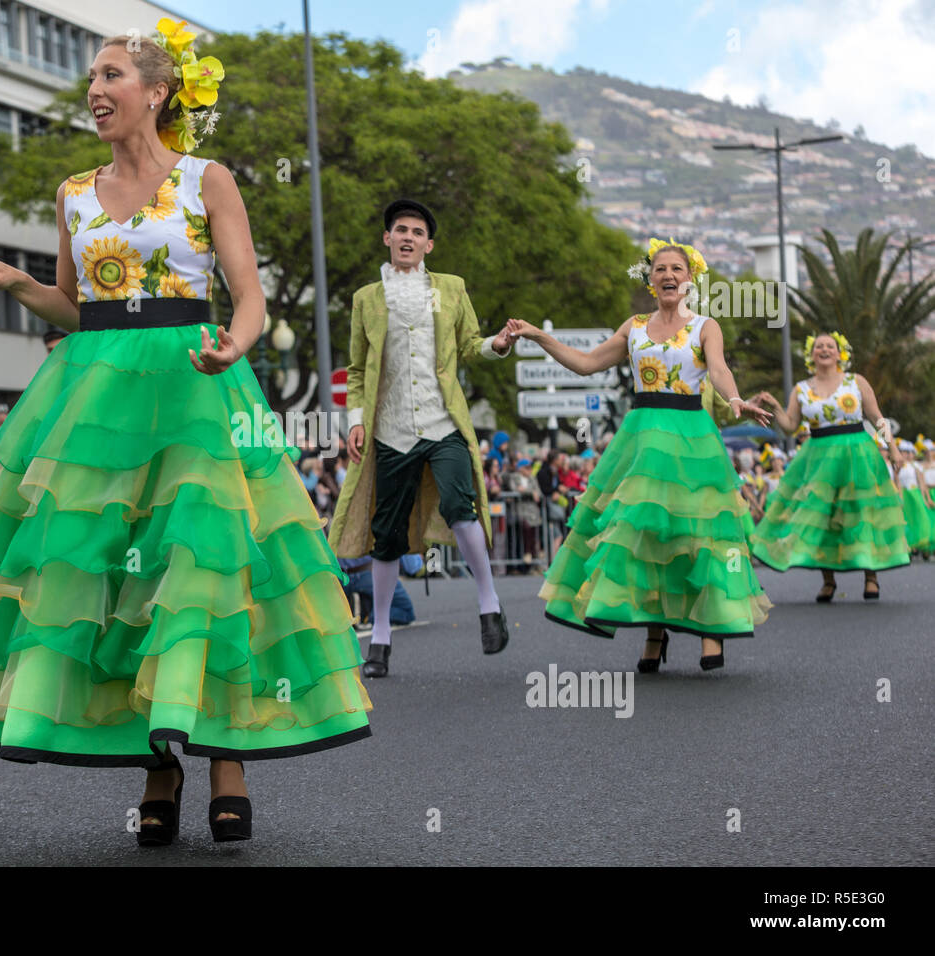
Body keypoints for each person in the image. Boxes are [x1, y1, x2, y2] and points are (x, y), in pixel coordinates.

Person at [0, 22, 372, 847]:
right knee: (116, 579)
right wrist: (18, 283)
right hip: (97, 400)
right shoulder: (73, 192)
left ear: (158, 92)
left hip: (198, 386)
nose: (95, 89)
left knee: (207, 567)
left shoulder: (208, 179)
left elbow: (248, 293)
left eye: (112, 74)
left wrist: (236, 339)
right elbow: (75, 305)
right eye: (92, 76)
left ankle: (226, 755)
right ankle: (157, 762)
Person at [507, 238, 773, 671]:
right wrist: (539, 336)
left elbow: (720, 369)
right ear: (650, 279)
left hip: (691, 440)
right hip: (642, 436)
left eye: (677, 269)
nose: (668, 275)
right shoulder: (633, 327)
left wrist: (735, 398)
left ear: (690, 279)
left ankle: (712, 628)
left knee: (700, 534)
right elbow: (587, 363)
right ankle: (655, 631)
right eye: (660, 269)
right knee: (648, 536)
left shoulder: (706, 326)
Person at [328, 198, 516, 679]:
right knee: (386, 535)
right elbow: (354, 369)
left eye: (417, 232)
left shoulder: (450, 289)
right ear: (387, 239)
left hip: (443, 423)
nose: (408, 237)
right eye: (400, 230)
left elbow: (471, 344)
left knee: (460, 505)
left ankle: (489, 603)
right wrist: (354, 420)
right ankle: (383, 639)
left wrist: (497, 345)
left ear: (428, 244)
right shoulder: (366, 298)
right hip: (390, 431)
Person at [750, 332, 909, 600]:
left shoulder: (855, 381)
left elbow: (876, 417)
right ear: (812, 355)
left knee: (861, 511)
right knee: (821, 516)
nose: (824, 350)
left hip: (856, 455)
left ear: (840, 353)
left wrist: (892, 448)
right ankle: (828, 581)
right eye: (818, 346)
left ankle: (871, 577)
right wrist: (775, 406)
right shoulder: (801, 388)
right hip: (818, 458)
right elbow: (790, 427)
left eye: (830, 346)